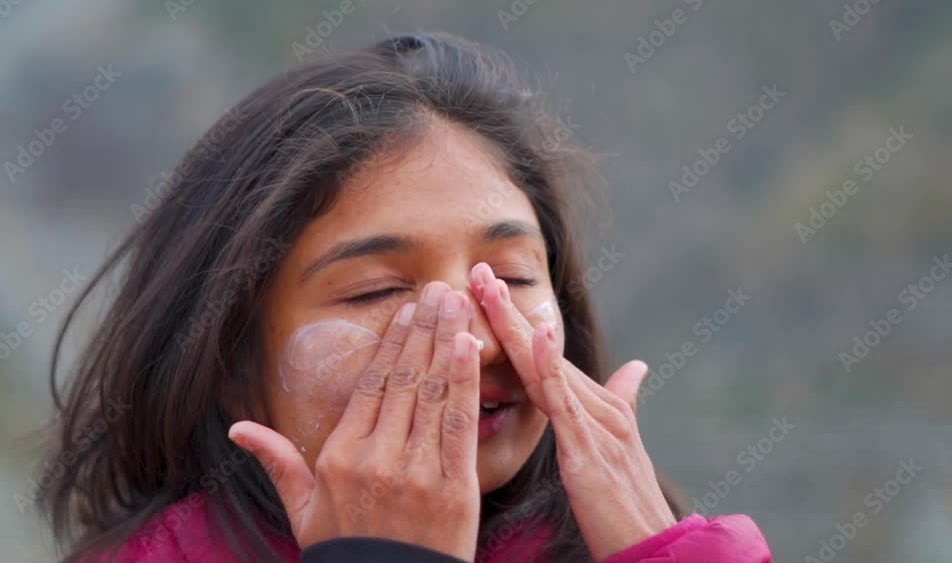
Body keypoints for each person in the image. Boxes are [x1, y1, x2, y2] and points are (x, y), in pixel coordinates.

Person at [40, 32, 772, 563]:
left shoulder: (636, 542)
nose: (473, 342)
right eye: (380, 290)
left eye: (513, 277)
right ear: (230, 363)